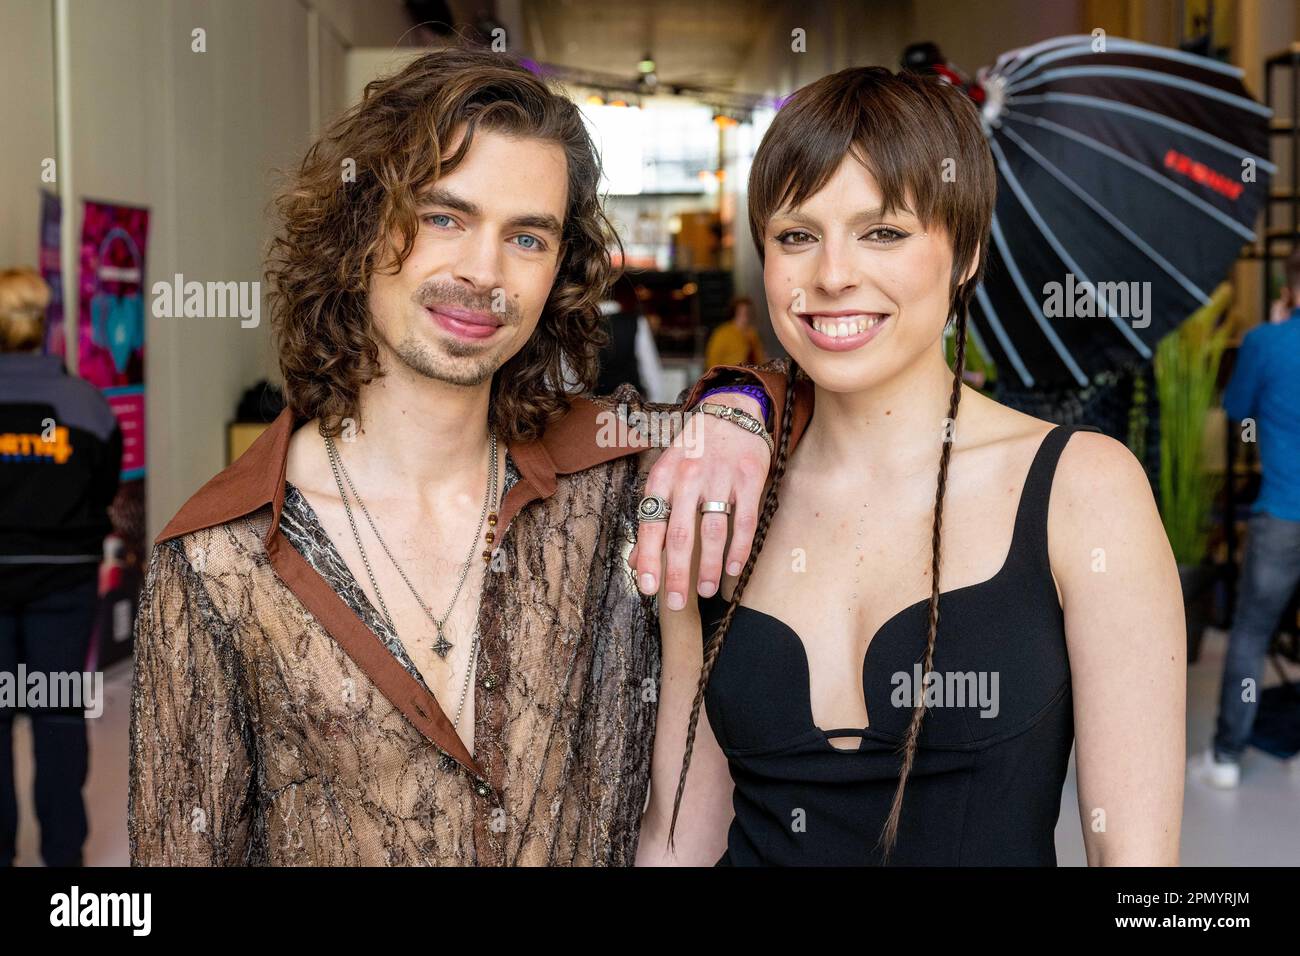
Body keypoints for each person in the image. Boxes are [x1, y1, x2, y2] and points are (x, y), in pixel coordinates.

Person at [128, 47, 812, 866]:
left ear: (559, 269)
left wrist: (739, 406)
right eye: (445, 217)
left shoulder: (622, 484)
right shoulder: (218, 556)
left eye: (526, 237)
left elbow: (840, 403)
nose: (483, 273)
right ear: (362, 225)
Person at [639, 66, 1185, 866]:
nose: (831, 275)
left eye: (883, 232)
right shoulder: (723, 493)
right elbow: (678, 836)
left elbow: (1135, 865)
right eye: (797, 235)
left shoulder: (1081, 488)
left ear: (963, 251)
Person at [0, 267, 122, 866]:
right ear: (43, 325)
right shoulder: (87, 405)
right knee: (57, 715)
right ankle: (62, 860)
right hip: (65, 585)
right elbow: (104, 487)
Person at [1195, 248, 1300, 788]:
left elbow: (1237, 409)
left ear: (1289, 285)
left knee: (1251, 635)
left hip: (1282, 514)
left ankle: (1227, 757)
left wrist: (1275, 332)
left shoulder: (1266, 342)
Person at [704, 297, 766, 368]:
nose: (746, 315)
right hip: (729, 375)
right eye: (742, 311)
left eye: (748, 311)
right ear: (735, 312)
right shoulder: (722, 333)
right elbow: (712, 360)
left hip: (751, 375)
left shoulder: (753, 333)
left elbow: (760, 358)